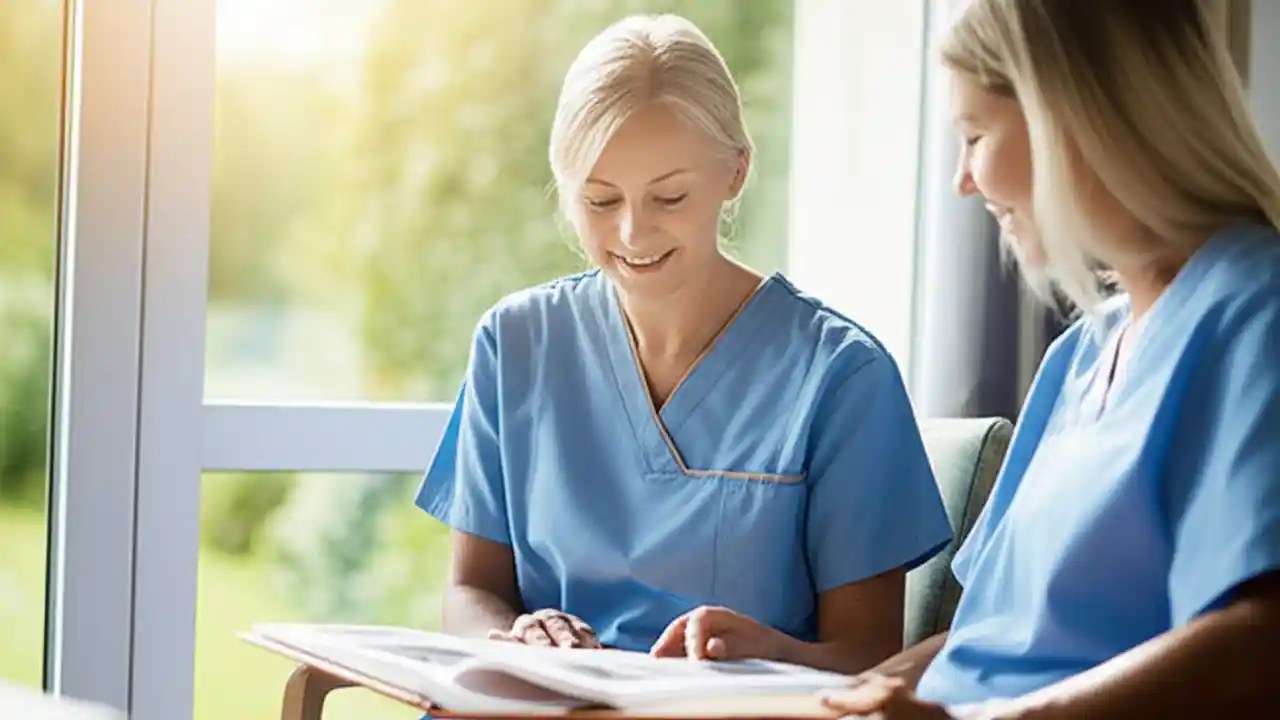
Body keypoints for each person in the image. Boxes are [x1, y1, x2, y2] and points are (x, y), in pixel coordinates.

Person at [415, 14, 951, 674]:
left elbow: (870, 658)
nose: (633, 234)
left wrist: (772, 653)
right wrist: (516, 636)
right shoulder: (514, 344)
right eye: (600, 201)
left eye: (669, 197)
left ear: (737, 171)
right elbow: (470, 592)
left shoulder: (841, 376)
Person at [809, 0, 1280, 717]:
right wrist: (831, 697)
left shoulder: (1254, 311)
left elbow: (1259, 643)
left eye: (974, 136)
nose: (963, 180)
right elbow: (988, 640)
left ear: (1073, 119)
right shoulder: (1079, 353)